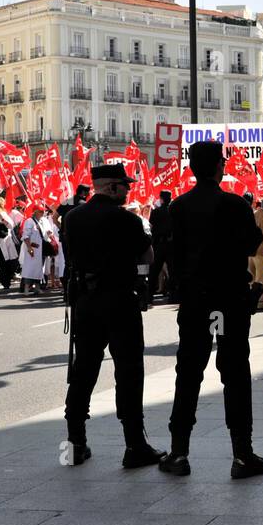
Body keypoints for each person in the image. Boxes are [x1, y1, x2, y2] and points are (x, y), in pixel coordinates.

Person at [162, 141, 263, 479]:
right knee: (236, 373)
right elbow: (253, 242)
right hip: (229, 299)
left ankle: (179, 453)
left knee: (189, 374)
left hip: (196, 301)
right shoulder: (235, 204)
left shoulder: (178, 207)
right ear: (218, 167)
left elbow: (173, 254)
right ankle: (242, 454)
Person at [58, 164, 163, 468]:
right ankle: (135, 446)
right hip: (119, 300)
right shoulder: (127, 219)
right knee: (129, 371)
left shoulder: (72, 217)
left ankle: (75, 443)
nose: (129, 190)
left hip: (84, 302)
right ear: (113, 187)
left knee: (83, 371)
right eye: (125, 186)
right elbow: (148, 256)